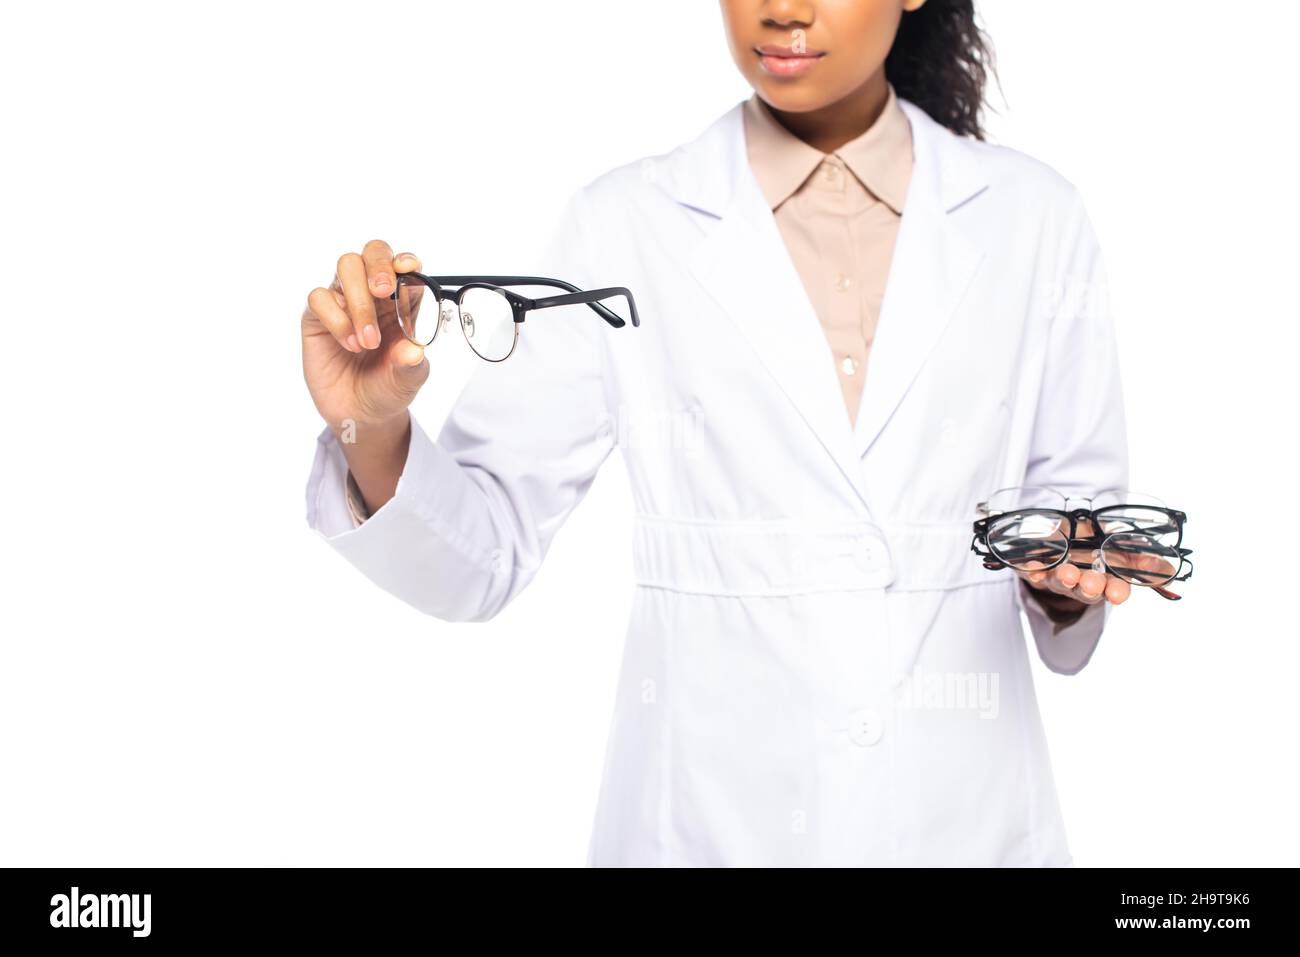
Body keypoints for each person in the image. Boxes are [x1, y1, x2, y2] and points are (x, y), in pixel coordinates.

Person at [300, 0, 1130, 866]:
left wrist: (1065, 579)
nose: (782, 9)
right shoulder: (623, 223)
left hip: (964, 822)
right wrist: (374, 424)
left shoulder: (1036, 220)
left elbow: (1083, 523)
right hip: (705, 824)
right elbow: (482, 556)